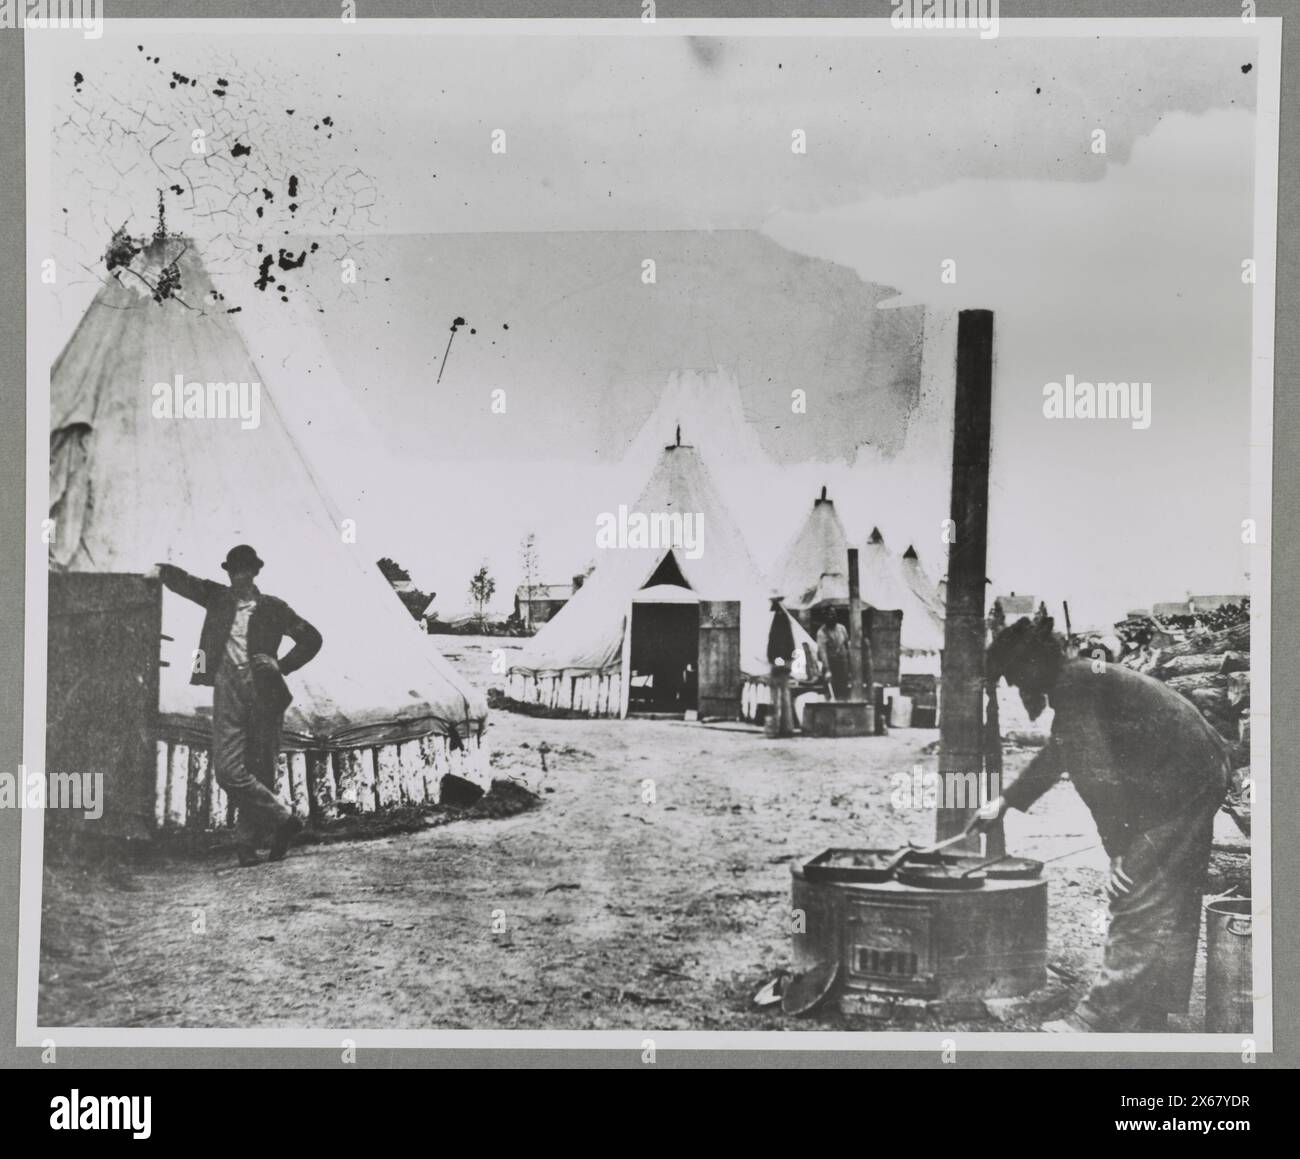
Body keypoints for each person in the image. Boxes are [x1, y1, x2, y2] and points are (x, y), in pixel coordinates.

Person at [970, 615, 1230, 1032]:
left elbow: (1100, 780)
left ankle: (1096, 1019)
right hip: (1196, 769)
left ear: (1034, 668)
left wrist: (1119, 853)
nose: (1019, 690)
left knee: (1135, 894)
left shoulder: (1075, 686)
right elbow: (1058, 752)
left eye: (1017, 680)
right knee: (1170, 894)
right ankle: (1149, 1009)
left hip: (1183, 782)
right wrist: (1005, 802)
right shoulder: (1078, 680)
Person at [153, 545, 322, 867]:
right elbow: (186, 583)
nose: (238, 576)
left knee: (261, 769)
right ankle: (286, 820)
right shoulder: (217, 598)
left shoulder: (274, 608)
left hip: (265, 694)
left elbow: (312, 638)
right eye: (233, 571)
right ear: (228, 573)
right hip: (226, 688)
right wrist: (160, 569)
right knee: (228, 770)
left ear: (255, 572)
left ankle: (248, 845)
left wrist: (281, 665)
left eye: (244, 570)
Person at [765, 594, 796, 737]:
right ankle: (785, 727)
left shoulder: (780, 620)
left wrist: (776, 659)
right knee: (784, 694)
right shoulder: (782, 619)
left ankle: (778, 728)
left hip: (779, 662)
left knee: (778, 696)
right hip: (783, 661)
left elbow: (779, 644)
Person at [814, 607, 851, 699]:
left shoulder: (842, 628)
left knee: (844, 691)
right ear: (825, 617)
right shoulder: (821, 632)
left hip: (843, 665)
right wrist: (827, 670)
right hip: (831, 666)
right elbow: (822, 652)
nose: (832, 616)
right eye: (829, 614)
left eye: (834, 614)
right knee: (831, 693)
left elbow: (847, 646)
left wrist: (850, 666)